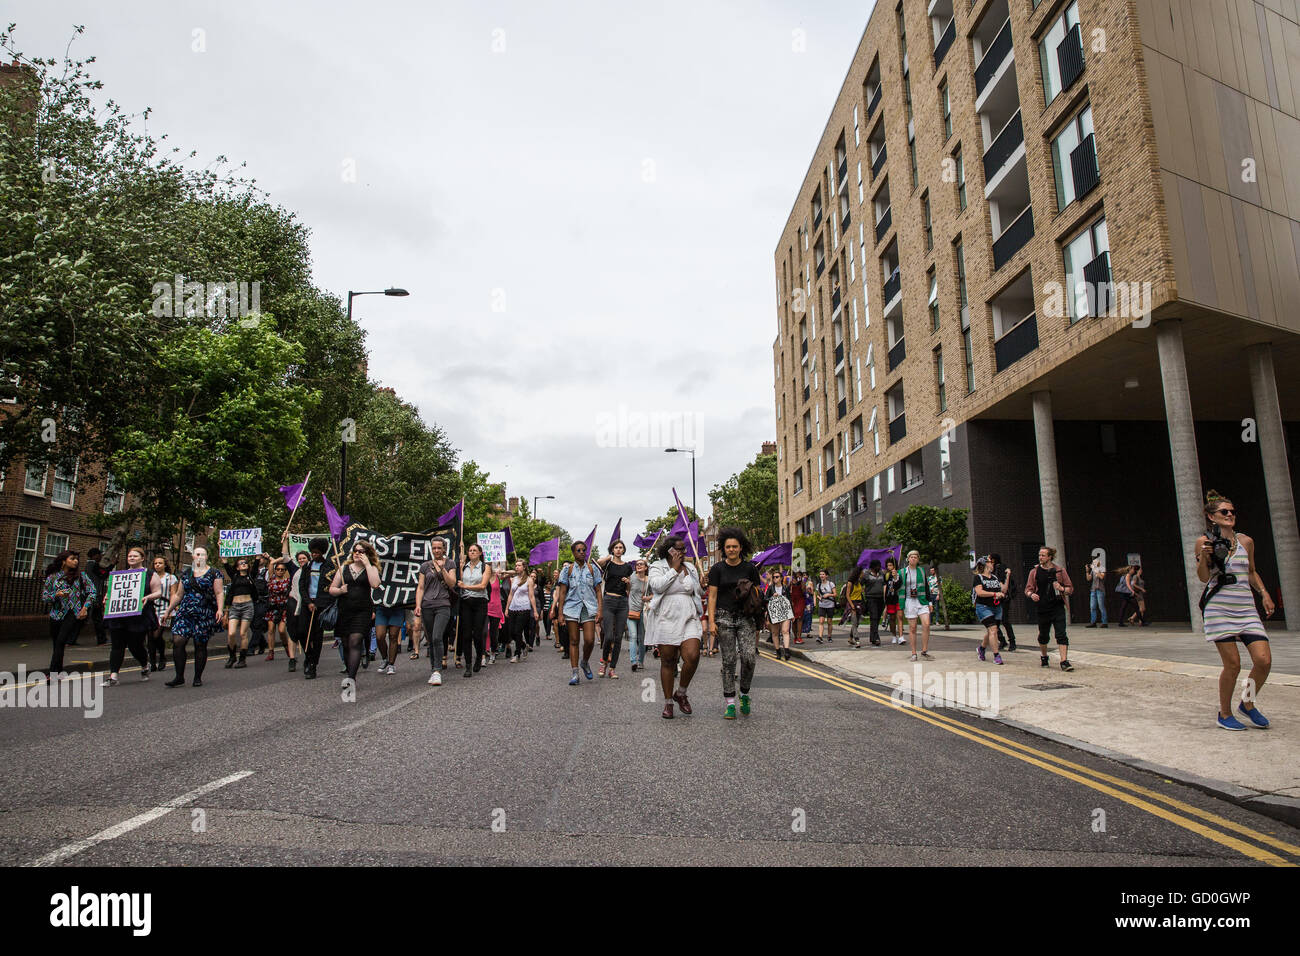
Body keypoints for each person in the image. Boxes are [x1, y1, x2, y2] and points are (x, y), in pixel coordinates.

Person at [1195, 491, 1276, 731]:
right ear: (1212, 517)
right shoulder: (1203, 541)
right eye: (1224, 512)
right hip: (1219, 608)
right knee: (1233, 664)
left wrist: (1264, 593)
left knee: (1263, 661)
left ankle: (1247, 703)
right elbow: (1203, 578)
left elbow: (1251, 571)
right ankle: (1225, 713)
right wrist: (1204, 557)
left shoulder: (1246, 541)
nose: (1230, 515)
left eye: (1232, 511)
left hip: (1245, 607)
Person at [706, 528, 762, 719]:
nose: (731, 549)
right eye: (728, 547)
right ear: (723, 548)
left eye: (735, 546)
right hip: (723, 617)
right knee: (728, 661)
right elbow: (712, 597)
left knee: (749, 658)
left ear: (741, 548)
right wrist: (711, 622)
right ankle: (730, 703)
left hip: (745, 617)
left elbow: (757, 595)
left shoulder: (749, 568)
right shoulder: (717, 569)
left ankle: (744, 693)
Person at [647, 534, 704, 719]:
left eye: (684, 549)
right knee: (668, 661)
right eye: (679, 549)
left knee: (693, 656)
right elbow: (657, 587)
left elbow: (697, 591)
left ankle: (681, 693)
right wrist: (674, 568)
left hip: (688, 615)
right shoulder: (658, 566)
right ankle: (668, 703)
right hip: (667, 616)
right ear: (670, 550)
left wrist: (703, 585)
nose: (683, 552)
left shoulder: (691, 567)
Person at [165, 546, 224, 687]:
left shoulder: (214, 573)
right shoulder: (186, 574)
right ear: (193, 556)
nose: (200, 557)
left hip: (204, 613)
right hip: (185, 612)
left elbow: (219, 592)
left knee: (200, 644)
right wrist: (168, 611)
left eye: (203, 554)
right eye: (197, 554)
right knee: (178, 641)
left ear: (207, 557)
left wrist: (220, 609)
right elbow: (179, 595)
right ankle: (179, 676)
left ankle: (197, 677)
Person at [105, 545, 163, 685]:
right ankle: (113, 676)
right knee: (117, 645)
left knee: (135, 645)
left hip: (139, 616)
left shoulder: (150, 574)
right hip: (119, 615)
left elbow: (158, 592)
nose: (131, 558)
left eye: (135, 556)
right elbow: (111, 591)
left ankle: (144, 664)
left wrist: (147, 598)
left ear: (142, 558)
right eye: (130, 556)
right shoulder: (121, 575)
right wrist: (107, 597)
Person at [329, 539, 381, 688]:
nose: (357, 553)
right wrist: (340, 590)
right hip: (345, 610)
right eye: (355, 551)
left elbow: (375, 584)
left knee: (355, 640)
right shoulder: (344, 568)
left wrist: (367, 564)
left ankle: (351, 678)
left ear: (367, 554)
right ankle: (350, 670)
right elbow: (332, 588)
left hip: (363, 610)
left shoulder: (371, 568)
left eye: (361, 551)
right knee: (345, 643)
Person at [40, 550, 96, 679]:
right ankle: (58, 670)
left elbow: (92, 592)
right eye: (72, 558)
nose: (76, 561)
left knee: (60, 641)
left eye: (76, 559)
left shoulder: (81, 576)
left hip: (73, 613)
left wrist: (85, 608)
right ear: (64, 561)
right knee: (56, 644)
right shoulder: (52, 577)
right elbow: (45, 597)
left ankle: (52, 673)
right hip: (56, 614)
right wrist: (57, 595)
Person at [554, 540, 603, 685]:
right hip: (571, 608)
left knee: (589, 640)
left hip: (588, 607)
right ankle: (575, 673)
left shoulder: (593, 569)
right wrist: (560, 613)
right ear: (573, 553)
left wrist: (600, 610)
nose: (582, 553)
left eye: (584, 550)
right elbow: (562, 592)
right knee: (574, 640)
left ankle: (585, 661)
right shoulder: (567, 570)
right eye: (578, 550)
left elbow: (598, 591)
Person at [415, 537, 457, 687]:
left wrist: (442, 569)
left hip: (443, 604)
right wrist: (418, 604)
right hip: (427, 604)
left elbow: (452, 583)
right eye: (434, 548)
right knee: (431, 638)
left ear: (444, 549)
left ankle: (437, 671)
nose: (436, 551)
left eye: (439, 548)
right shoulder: (425, 566)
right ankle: (433, 669)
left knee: (438, 636)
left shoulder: (450, 563)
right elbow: (420, 587)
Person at [1024, 546, 1075, 671]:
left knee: (1061, 634)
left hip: (1057, 606)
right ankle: (1044, 656)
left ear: (1050, 557)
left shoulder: (1060, 571)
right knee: (1043, 635)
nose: (1040, 557)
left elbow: (1070, 588)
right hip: (1042, 607)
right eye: (1039, 555)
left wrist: (1062, 589)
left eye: (1043, 555)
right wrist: (1032, 595)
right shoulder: (1034, 572)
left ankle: (1064, 661)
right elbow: (1028, 589)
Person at [294, 538, 336, 681]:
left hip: (321, 605)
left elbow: (328, 588)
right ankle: (308, 655)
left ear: (322, 552)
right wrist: (308, 602)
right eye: (312, 552)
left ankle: (313, 664)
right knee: (301, 632)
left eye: (317, 552)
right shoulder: (307, 567)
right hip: (308, 604)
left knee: (317, 636)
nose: (314, 555)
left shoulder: (329, 566)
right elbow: (302, 586)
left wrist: (319, 603)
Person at [596, 540, 634, 678]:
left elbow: (629, 589)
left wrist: (628, 583)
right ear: (612, 550)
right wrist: (608, 557)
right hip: (609, 601)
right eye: (616, 547)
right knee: (609, 636)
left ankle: (612, 668)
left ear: (624, 550)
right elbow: (597, 563)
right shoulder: (608, 563)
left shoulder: (628, 567)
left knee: (618, 637)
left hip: (622, 602)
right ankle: (604, 661)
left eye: (620, 548)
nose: (618, 550)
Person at [456, 543, 491, 678]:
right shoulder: (463, 566)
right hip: (466, 602)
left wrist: (466, 586)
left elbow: (482, 586)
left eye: (475, 550)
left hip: (480, 602)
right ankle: (468, 665)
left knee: (477, 634)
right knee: (466, 634)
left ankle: (479, 656)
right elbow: (459, 582)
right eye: (470, 551)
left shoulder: (485, 567)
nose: (472, 552)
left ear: (480, 553)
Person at [222, 555, 258, 669]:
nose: (244, 564)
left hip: (247, 606)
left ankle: (242, 659)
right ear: (237, 567)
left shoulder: (250, 576)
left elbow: (256, 565)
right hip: (235, 606)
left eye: (245, 563)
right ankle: (232, 656)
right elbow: (225, 563)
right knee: (231, 633)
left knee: (243, 633)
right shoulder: (234, 576)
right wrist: (222, 549)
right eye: (241, 563)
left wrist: (257, 556)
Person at [899, 551, 934, 662]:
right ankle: (914, 653)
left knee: (926, 624)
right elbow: (896, 586)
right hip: (909, 601)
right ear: (908, 559)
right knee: (912, 628)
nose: (913, 559)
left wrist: (930, 602)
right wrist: (895, 578)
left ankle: (924, 650)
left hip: (922, 601)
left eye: (915, 557)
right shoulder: (902, 572)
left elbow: (927, 587)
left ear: (918, 559)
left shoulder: (921, 570)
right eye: (911, 557)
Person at [503, 559, 538, 663]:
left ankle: (517, 654)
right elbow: (510, 594)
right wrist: (506, 608)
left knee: (518, 631)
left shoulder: (529, 580)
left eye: (519, 565)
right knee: (511, 632)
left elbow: (531, 596)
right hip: (513, 607)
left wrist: (535, 611)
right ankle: (523, 645)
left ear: (524, 567)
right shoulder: (513, 579)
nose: (516, 567)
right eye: (516, 565)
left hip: (524, 608)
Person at [971, 557, 1004, 665]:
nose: (992, 564)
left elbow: (1002, 589)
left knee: (992, 631)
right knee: (993, 629)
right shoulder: (978, 578)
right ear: (985, 564)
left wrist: (1007, 577)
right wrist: (994, 594)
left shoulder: (994, 577)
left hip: (996, 607)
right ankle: (996, 656)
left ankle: (981, 648)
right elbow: (980, 592)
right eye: (990, 562)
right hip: (983, 607)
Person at [265, 551, 294, 666]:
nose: (280, 571)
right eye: (278, 569)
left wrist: (281, 560)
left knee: (282, 630)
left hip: (284, 608)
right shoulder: (271, 579)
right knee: (271, 629)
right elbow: (271, 563)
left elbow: (287, 559)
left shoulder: (287, 580)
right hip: (273, 607)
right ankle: (271, 652)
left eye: (282, 569)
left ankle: (286, 646)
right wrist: (275, 561)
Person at [148, 555, 177, 672]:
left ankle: (162, 657)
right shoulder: (150, 577)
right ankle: (152, 662)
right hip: (151, 609)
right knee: (150, 637)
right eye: (155, 563)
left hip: (165, 610)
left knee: (157, 635)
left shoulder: (171, 578)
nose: (157, 565)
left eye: (160, 563)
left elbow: (173, 594)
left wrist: (170, 609)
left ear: (165, 565)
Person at [84, 547, 113, 646]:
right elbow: (103, 575)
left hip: (90, 594)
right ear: (94, 555)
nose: (101, 556)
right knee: (97, 618)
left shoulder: (89, 565)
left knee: (84, 618)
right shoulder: (93, 565)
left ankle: (70, 639)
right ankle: (102, 640)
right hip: (94, 594)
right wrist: (112, 564)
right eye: (99, 555)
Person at [626, 558, 650, 671]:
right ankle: (633, 661)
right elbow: (627, 591)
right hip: (631, 611)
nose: (639, 566)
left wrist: (648, 598)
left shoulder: (649, 580)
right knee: (633, 636)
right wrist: (626, 583)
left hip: (643, 612)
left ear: (646, 567)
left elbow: (655, 594)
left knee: (642, 638)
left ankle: (641, 661)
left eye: (641, 564)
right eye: (637, 564)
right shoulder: (632, 577)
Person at [991, 553, 1017, 651]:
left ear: (993, 560)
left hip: (1002, 598)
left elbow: (1002, 585)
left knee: (1004, 620)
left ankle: (1010, 641)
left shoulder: (999, 569)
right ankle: (1004, 640)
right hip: (997, 598)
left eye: (990, 559)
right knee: (996, 621)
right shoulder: (994, 569)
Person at [766, 570, 795, 660]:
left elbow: (789, 601)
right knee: (775, 633)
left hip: (785, 612)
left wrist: (792, 614)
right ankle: (778, 651)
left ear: (781, 578)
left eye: (777, 577)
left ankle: (786, 651)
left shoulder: (786, 588)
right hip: (774, 613)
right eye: (773, 577)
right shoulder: (770, 588)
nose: (775, 578)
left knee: (785, 631)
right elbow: (765, 599)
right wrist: (771, 597)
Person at [861, 560, 885, 646]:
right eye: (877, 566)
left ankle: (872, 637)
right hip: (871, 598)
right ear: (872, 567)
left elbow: (885, 583)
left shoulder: (882, 574)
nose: (879, 568)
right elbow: (860, 585)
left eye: (879, 566)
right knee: (874, 617)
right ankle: (876, 637)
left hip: (881, 598)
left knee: (877, 618)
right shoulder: (866, 574)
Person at [485, 564, 504, 664]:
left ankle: (493, 652)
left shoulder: (498, 576)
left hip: (496, 607)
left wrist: (501, 571)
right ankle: (483, 654)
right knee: (483, 631)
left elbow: (513, 572)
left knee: (493, 632)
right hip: (485, 607)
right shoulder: (484, 576)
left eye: (492, 565)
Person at [1085, 554, 1108, 628]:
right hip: (1093, 589)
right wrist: (1087, 571)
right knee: (1092, 606)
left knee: (1101, 606)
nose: (1093, 563)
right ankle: (1093, 622)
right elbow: (1088, 579)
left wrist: (1095, 569)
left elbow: (1101, 577)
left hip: (1100, 589)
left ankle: (1104, 622)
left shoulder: (1102, 569)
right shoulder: (1093, 570)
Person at [815, 569, 837, 643]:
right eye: (820, 574)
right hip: (822, 605)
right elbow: (817, 594)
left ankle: (829, 636)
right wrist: (819, 598)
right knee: (821, 621)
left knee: (829, 622)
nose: (821, 576)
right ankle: (820, 637)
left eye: (823, 574)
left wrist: (828, 594)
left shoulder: (831, 584)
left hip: (830, 605)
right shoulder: (818, 585)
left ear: (826, 576)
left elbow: (835, 594)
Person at [883, 557, 902, 642]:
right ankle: (894, 635)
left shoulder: (899, 574)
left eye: (890, 565)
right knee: (892, 618)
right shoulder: (886, 575)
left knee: (900, 617)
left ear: (894, 566)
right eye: (887, 565)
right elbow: (885, 587)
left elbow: (899, 585)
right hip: (890, 599)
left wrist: (895, 578)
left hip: (897, 598)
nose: (888, 567)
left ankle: (901, 636)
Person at [789, 572, 807, 645]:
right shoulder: (790, 581)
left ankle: (799, 637)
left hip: (800, 601)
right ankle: (795, 637)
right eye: (797, 574)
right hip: (793, 601)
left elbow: (803, 591)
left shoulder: (802, 582)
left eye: (800, 574)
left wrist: (803, 582)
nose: (798, 575)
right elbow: (788, 591)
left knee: (799, 618)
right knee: (794, 620)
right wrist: (790, 584)